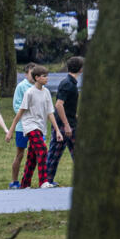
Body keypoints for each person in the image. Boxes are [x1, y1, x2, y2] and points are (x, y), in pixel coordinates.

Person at [5, 65, 63, 188]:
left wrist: (57, 130)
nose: (47, 78)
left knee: (32, 157)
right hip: (30, 126)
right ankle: (43, 181)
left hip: (40, 126)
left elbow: (50, 113)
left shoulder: (46, 92)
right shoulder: (29, 92)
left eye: (47, 76)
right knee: (42, 150)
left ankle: (24, 184)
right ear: (36, 77)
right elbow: (20, 112)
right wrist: (11, 130)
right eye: (44, 76)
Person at [44, 56, 83, 187]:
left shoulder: (71, 83)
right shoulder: (67, 84)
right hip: (64, 125)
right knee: (55, 152)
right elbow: (59, 105)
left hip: (70, 122)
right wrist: (66, 125)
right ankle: (46, 181)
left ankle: (48, 180)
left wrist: (74, 116)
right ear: (81, 69)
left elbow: (68, 106)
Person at [8, 63, 36, 190]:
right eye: (32, 73)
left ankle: (31, 179)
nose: (34, 76)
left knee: (38, 152)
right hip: (22, 126)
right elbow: (16, 106)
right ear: (26, 74)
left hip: (37, 126)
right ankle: (14, 181)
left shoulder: (39, 86)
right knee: (20, 154)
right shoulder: (21, 87)